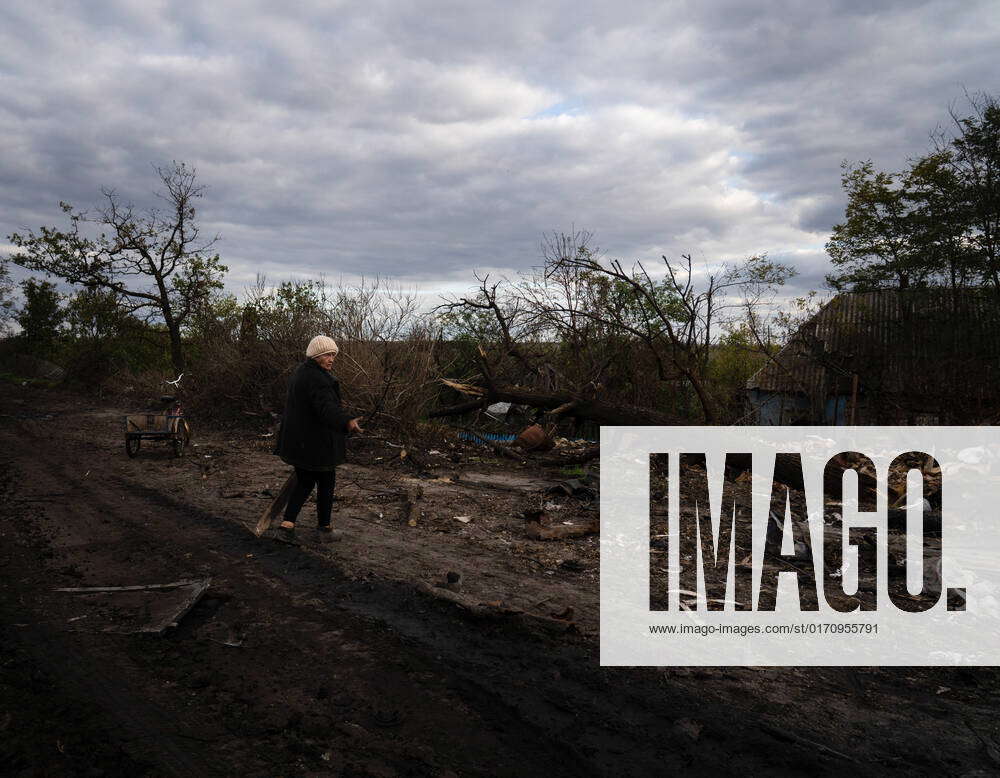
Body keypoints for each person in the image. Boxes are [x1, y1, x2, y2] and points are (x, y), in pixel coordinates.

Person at [274, 335, 363, 535]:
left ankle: (289, 522)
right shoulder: (318, 379)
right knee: (325, 481)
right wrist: (346, 421)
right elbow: (326, 408)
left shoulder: (301, 373)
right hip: (315, 443)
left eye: (333, 355)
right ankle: (323, 526)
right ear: (316, 356)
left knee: (305, 480)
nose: (331, 359)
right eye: (327, 355)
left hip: (300, 441)